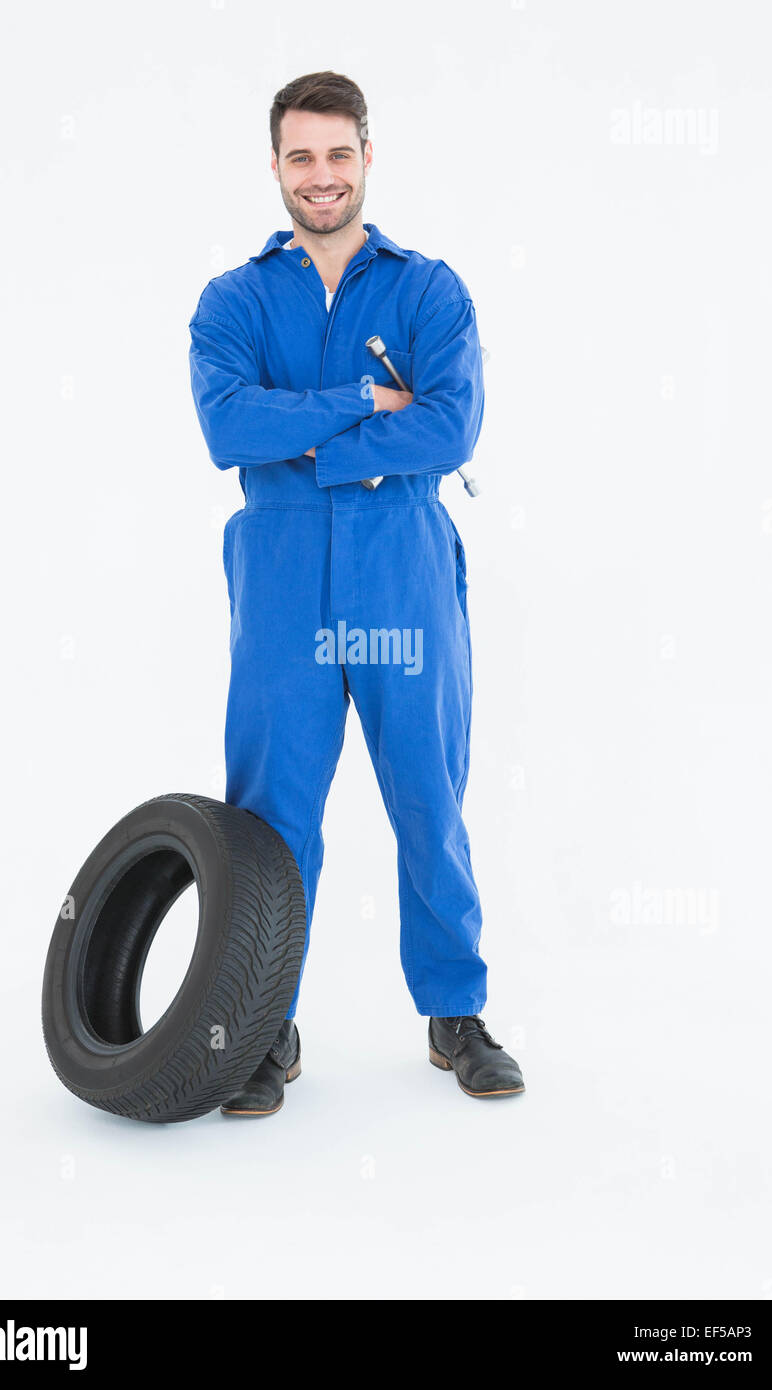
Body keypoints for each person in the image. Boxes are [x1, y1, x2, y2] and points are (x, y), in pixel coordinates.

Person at [188, 70, 524, 1115]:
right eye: (301, 156)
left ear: (367, 156)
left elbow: (448, 428)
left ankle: (454, 1013)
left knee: (426, 793)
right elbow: (226, 430)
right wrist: (358, 404)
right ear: (275, 166)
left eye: (339, 153)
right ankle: (261, 1024)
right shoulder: (234, 300)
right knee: (273, 813)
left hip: (399, 569)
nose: (321, 175)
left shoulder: (427, 291)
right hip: (283, 579)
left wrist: (312, 442)